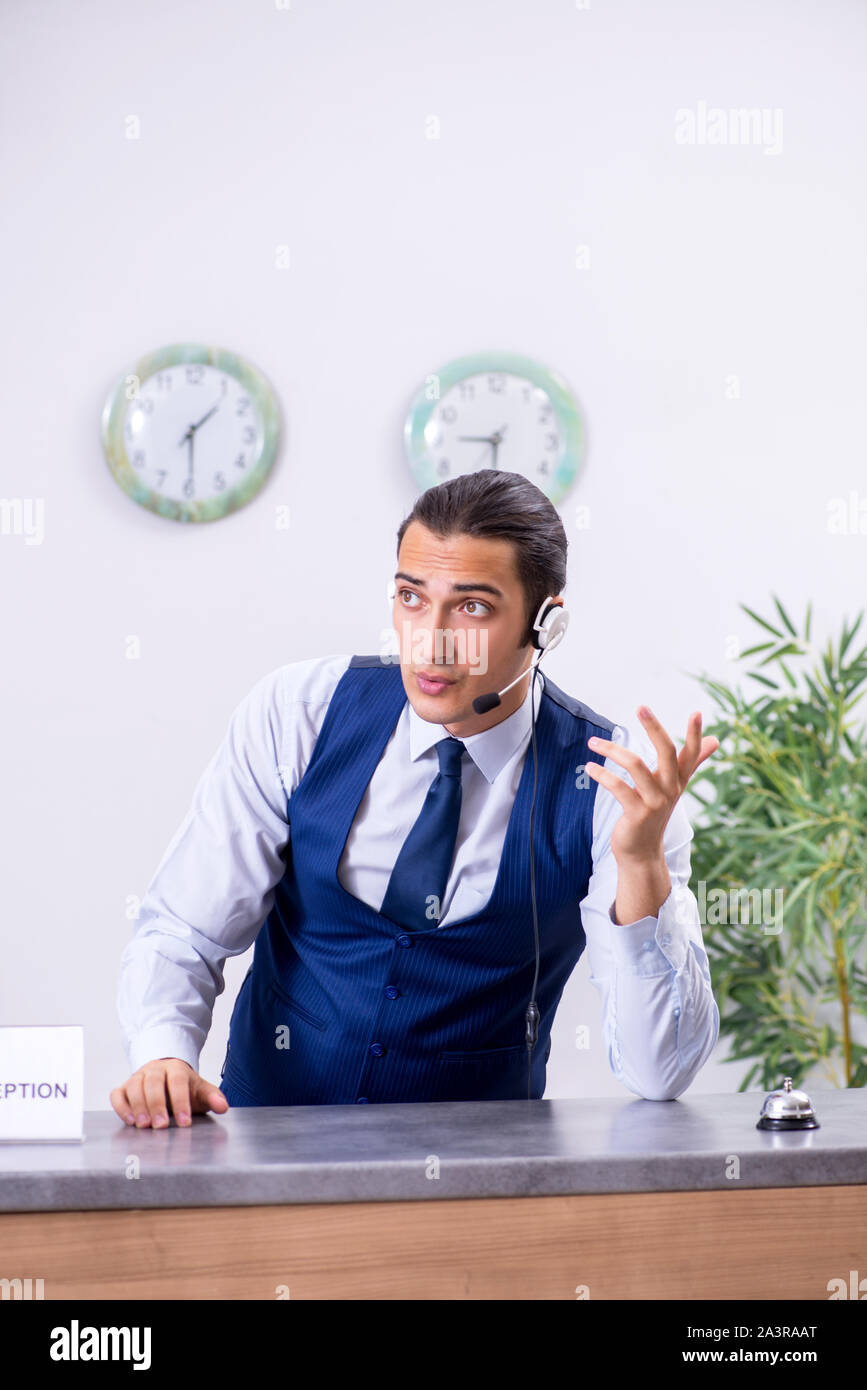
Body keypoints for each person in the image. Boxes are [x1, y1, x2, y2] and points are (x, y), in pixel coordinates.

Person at [111, 470, 720, 1128]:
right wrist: (161, 1055)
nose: (430, 640)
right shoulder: (300, 713)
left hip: (481, 1181)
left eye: (473, 607)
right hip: (266, 1153)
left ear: (547, 625)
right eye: (410, 598)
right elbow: (183, 931)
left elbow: (658, 1072)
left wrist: (640, 865)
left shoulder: (612, 788)